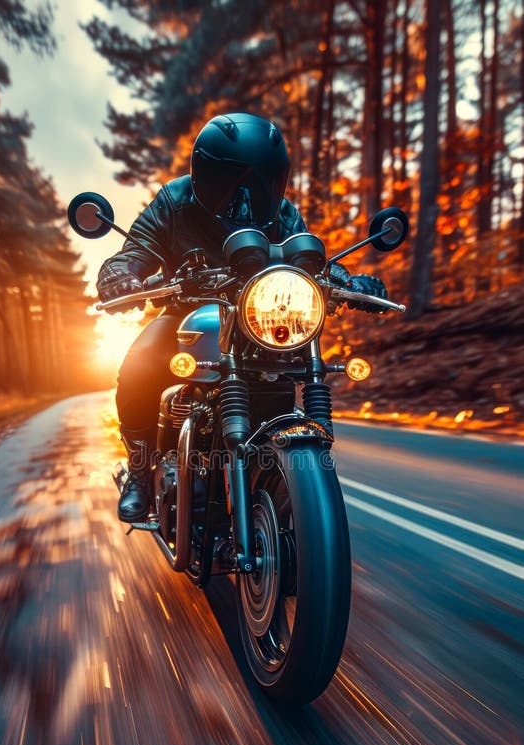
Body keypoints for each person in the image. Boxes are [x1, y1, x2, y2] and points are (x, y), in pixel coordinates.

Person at [97, 111, 385, 523]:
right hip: (188, 320)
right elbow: (136, 250)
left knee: (294, 369)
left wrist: (345, 279)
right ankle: (141, 474)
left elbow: (309, 262)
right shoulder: (173, 203)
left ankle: (289, 491)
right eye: (230, 182)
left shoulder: (284, 214)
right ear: (202, 175)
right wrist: (120, 275)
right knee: (138, 367)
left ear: (277, 180)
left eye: (259, 183)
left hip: (261, 324)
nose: (244, 198)